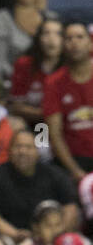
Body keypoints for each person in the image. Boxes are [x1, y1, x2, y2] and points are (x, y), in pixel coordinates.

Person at [0, 130, 78, 242]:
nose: (23, 151)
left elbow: (70, 207)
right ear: (9, 150)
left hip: (54, 238)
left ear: (37, 151)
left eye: (28, 147)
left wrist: (57, 234)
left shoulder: (56, 175)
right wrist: (16, 235)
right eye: (18, 146)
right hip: (8, 240)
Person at [44, 22, 93, 182]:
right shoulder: (53, 82)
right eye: (69, 38)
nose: (74, 42)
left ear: (90, 43)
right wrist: (75, 171)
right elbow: (55, 134)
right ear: (63, 45)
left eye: (80, 37)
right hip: (73, 160)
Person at [7, 15, 63, 129]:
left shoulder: (72, 66)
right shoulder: (24, 65)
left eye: (57, 34)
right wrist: (49, 115)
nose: (51, 39)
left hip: (67, 127)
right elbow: (16, 107)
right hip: (36, 124)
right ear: (38, 38)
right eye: (46, 33)